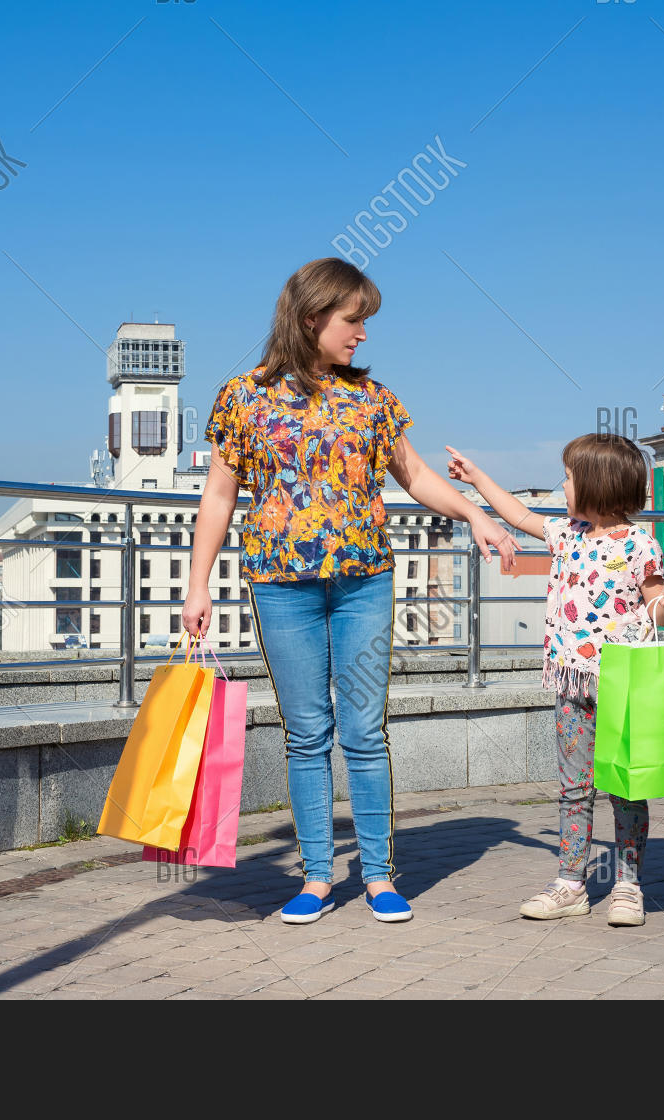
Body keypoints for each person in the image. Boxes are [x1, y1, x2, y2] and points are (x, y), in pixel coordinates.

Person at [183, 258, 517, 925]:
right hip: (280, 586)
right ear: (312, 318)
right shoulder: (242, 396)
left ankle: (378, 876)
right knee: (306, 733)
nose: (363, 334)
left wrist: (475, 514)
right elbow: (219, 495)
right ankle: (315, 878)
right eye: (353, 320)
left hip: (365, 582)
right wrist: (198, 585)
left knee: (364, 730)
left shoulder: (372, 399)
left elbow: (415, 475)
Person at [446, 434, 664, 927]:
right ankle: (571, 884)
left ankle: (628, 886)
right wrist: (476, 480)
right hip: (572, 684)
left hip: (622, 686)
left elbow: (656, 610)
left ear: (598, 485)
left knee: (626, 786)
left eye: (569, 478)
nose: (562, 485)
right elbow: (517, 514)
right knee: (573, 788)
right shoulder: (566, 533)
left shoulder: (639, 544)